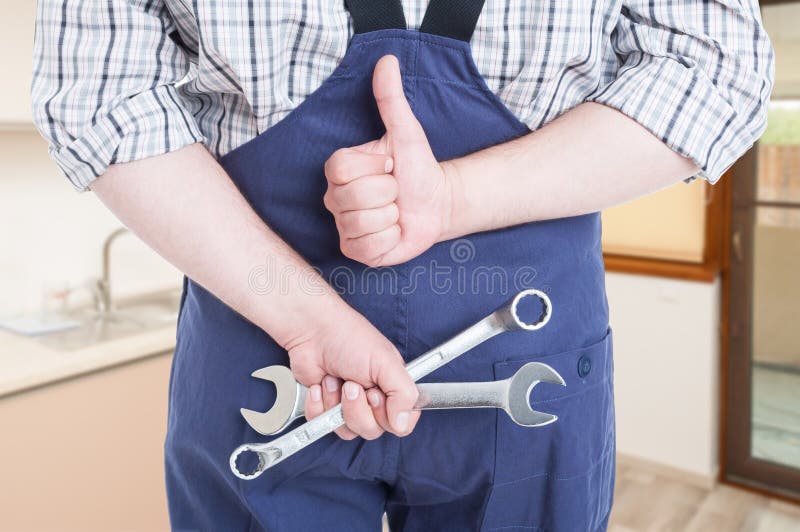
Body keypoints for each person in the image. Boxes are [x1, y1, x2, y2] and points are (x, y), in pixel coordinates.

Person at [31, 1, 773, 530]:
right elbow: (101, 96)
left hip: (525, 377)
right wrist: (308, 318)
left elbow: (718, 73)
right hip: (269, 360)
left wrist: (450, 198)